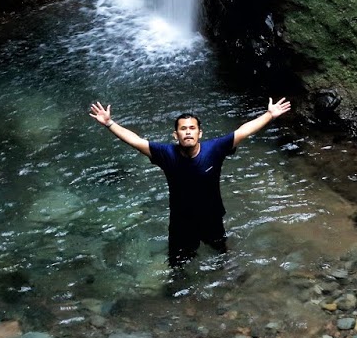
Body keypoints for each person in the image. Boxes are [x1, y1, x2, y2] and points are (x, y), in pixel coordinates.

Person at [88, 97, 291, 266]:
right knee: (177, 265)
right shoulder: (165, 153)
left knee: (221, 257)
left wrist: (270, 115)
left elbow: (244, 131)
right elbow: (135, 141)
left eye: (192, 128)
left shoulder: (215, 149)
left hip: (212, 217)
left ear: (199, 133)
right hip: (180, 223)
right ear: (176, 135)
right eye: (183, 129)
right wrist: (109, 123)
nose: (187, 132)